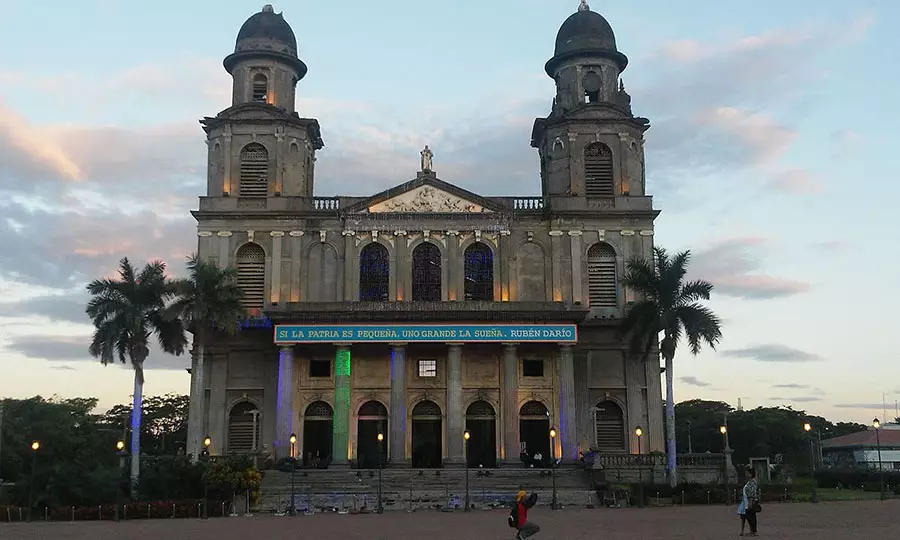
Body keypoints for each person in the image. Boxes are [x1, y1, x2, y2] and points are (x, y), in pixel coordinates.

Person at [742, 466, 760, 536]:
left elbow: (752, 492)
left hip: (750, 501)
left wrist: (750, 501)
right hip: (747, 500)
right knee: (751, 516)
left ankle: (753, 531)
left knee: (750, 516)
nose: (746, 475)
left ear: (750, 474)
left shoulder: (752, 482)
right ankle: (752, 530)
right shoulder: (750, 481)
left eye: (747, 473)